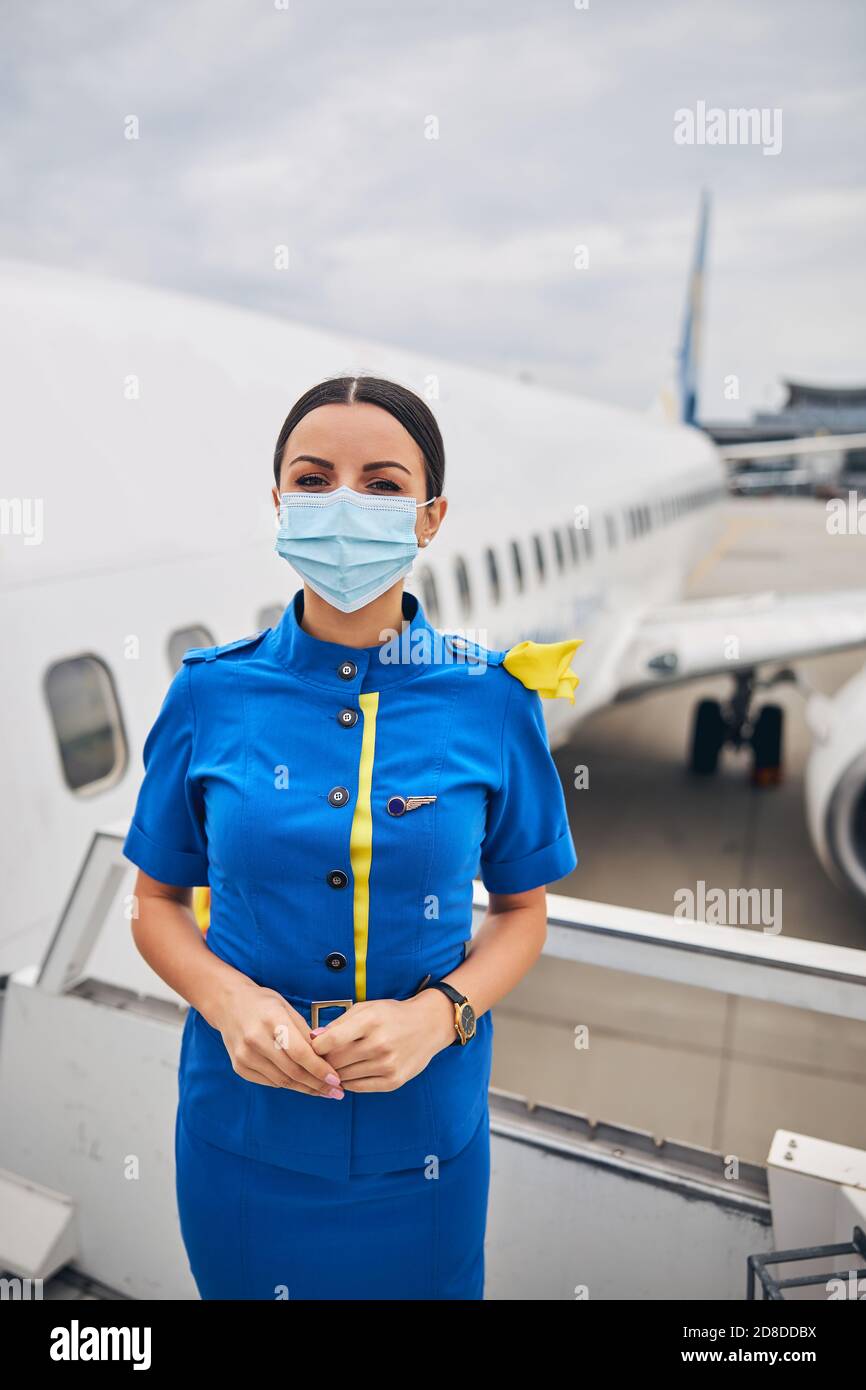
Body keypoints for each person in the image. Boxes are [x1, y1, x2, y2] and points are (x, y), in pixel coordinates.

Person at [123, 373, 581, 1300]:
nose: (345, 505)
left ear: (430, 515)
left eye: (380, 484)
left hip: (426, 1148)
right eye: (314, 478)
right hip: (241, 1142)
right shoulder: (208, 694)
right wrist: (224, 1001)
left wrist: (439, 1014)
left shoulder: (493, 699)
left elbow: (524, 914)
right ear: (280, 503)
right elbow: (153, 904)